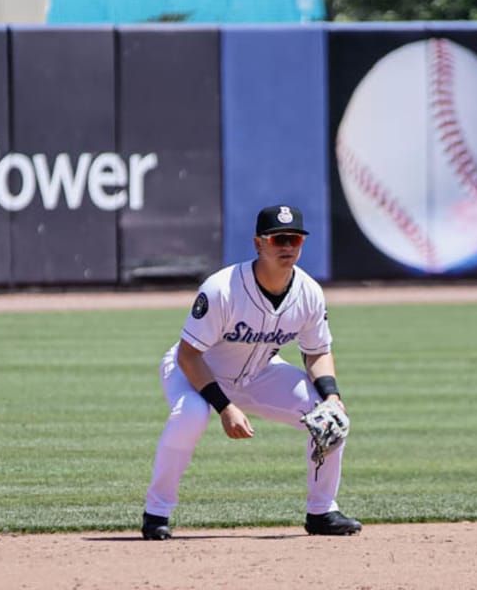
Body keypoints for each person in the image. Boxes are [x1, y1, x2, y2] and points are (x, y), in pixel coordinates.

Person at [141, 203, 361, 539]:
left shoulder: (309, 293)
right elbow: (189, 355)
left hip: (258, 374)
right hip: (195, 372)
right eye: (278, 239)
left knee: (330, 418)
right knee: (192, 414)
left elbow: (317, 353)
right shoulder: (222, 289)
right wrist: (225, 407)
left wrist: (333, 396)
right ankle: (156, 512)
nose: (287, 246)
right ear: (259, 244)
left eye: (295, 239)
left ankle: (322, 511)